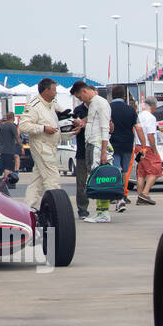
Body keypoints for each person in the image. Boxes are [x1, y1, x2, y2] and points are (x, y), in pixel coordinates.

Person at [18, 78, 65, 211]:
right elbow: (23, 125)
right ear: (46, 90)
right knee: (52, 178)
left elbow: (64, 114)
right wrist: (43, 128)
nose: (56, 92)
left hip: (51, 145)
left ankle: (28, 208)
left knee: (37, 180)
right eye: (54, 89)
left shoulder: (52, 103)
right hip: (41, 145)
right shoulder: (34, 105)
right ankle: (58, 209)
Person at [69, 81, 113, 222]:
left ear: (84, 92)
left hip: (97, 145)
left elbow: (105, 128)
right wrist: (81, 124)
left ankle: (104, 212)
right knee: (95, 179)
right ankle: (101, 211)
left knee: (100, 179)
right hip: (91, 144)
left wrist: (104, 151)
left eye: (80, 97)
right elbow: (92, 122)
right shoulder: (94, 103)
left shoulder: (100, 103)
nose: (81, 100)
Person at [133, 98, 163, 205]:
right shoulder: (151, 117)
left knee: (141, 172)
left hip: (138, 146)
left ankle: (140, 196)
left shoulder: (139, 115)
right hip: (147, 146)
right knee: (156, 169)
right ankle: (145, 193)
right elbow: (150, 135)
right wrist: (154, 149)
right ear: (153, 106)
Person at [109, 86, 137, 210]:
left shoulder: (108, 108)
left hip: (113, 144)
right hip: (127, 145)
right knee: (125, 172)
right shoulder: (131, 110)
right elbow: (138, 128)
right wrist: (143, 144)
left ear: (112, 95)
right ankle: (123, 195)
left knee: (115, 170)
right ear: (124, 97)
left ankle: (116, 195)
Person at [0, 111, 20, 181]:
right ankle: (6, 180)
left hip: (3, 149)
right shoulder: (12, 126)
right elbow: (17, 136)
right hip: (9, 149)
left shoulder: (1, 126)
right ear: (13, 117)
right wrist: (21, 145)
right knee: (8, 167)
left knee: (5, 166)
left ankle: (4, 178)